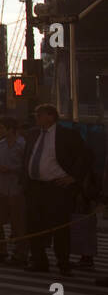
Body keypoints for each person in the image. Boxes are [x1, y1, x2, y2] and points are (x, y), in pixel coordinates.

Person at [22, 104, 90, 275]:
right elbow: (27, 157)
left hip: (57, 187)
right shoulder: (32, 134)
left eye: (39, 115)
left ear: (50, 116)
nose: (36, 118)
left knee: (60, 226)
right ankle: (39, 260)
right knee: (34, 225)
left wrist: (73, 177)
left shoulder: (67, 135)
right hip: (35, 186)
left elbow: (85, 156)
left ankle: (63, 263)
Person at [0, 116, 27, 266]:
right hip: (1, 188)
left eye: (2, 128)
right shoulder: (0, 145)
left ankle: (20, 253)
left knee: (19, 224)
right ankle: (0, 249)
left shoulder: (23, 145)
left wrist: (11, 170)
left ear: (11, 129)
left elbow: (26, 167)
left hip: (17, 188)